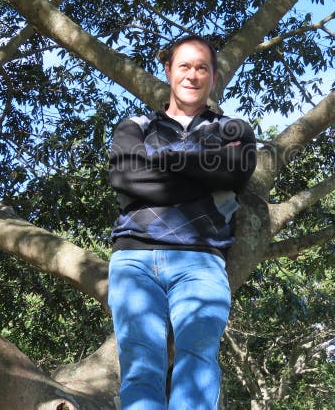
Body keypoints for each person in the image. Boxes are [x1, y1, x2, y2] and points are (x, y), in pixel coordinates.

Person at [107, 35, 257, 409]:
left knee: (198, 361)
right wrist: (202, 176)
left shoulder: (232, 130)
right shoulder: (134, 126)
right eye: (185, 66)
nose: (193, 75)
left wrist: (163, 162)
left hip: (201, 259)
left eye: (202, 68)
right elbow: (127, 178)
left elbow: (233, 171)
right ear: (169, 72)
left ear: (214, 76)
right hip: (134, 259)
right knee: (140, 369)